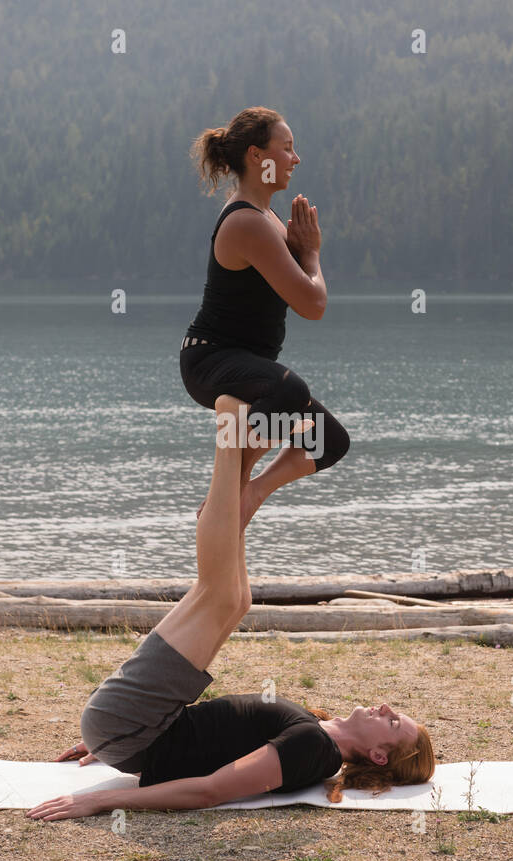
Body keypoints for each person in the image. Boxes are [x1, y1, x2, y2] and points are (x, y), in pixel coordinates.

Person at [27, 396, 433, 821]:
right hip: (134, 729)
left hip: (135, 727)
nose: (386, 707)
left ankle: (232, 432)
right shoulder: (319, 731)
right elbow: (211, 742)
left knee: (220, 595)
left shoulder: (315, 750)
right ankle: (243, 474)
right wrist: (111, 746)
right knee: (238, 601)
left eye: (392, 723)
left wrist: (101, 798)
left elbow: (210, 791)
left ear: (378, 757)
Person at [180, 106, 350, 530]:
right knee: (290, 390)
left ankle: (250, 492)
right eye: (287, 148)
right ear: (257, 156)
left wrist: (299, 247)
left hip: (248, 368)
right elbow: (313, 304)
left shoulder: (270, 220)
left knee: (329, 440)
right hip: (210, 360)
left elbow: (306, 299)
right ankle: (231, 485)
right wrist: (310, 252)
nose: (297, 158)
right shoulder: (246, 222)